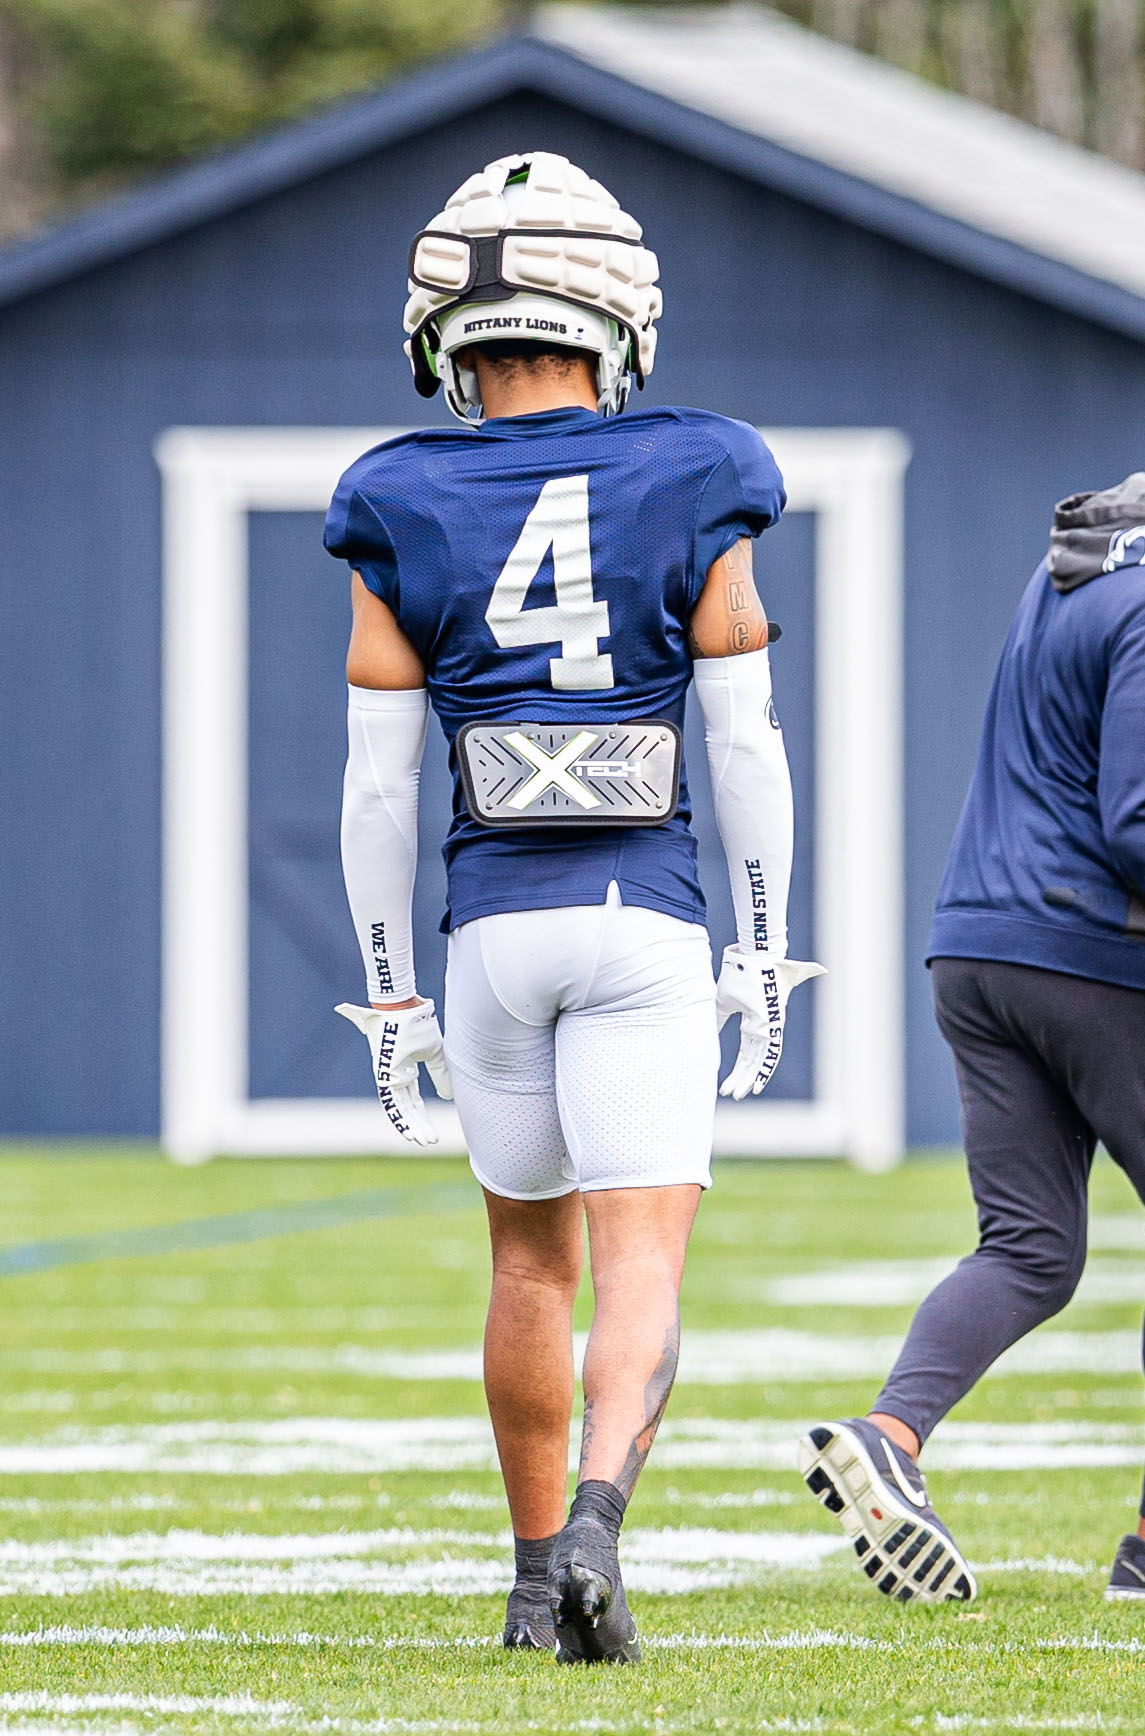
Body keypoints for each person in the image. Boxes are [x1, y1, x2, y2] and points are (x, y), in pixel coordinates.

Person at [328, 151, 816, 1664]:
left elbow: (376, 788)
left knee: (524, 1262)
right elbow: (741, 742)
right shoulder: (697, 464)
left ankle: (535, 1581)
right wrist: (760, 946)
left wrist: (391, 989)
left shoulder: (396, 493)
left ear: (442, 336)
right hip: (646, 912)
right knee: (643, 1258)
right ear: (615, 317)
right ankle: (602, 1520)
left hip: (490, 933)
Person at [795, 387, 1145, 1606]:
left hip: (978, 950)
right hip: (1099, 958)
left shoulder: (1077, 566)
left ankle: (891, 1439)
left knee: (1033, 1246)